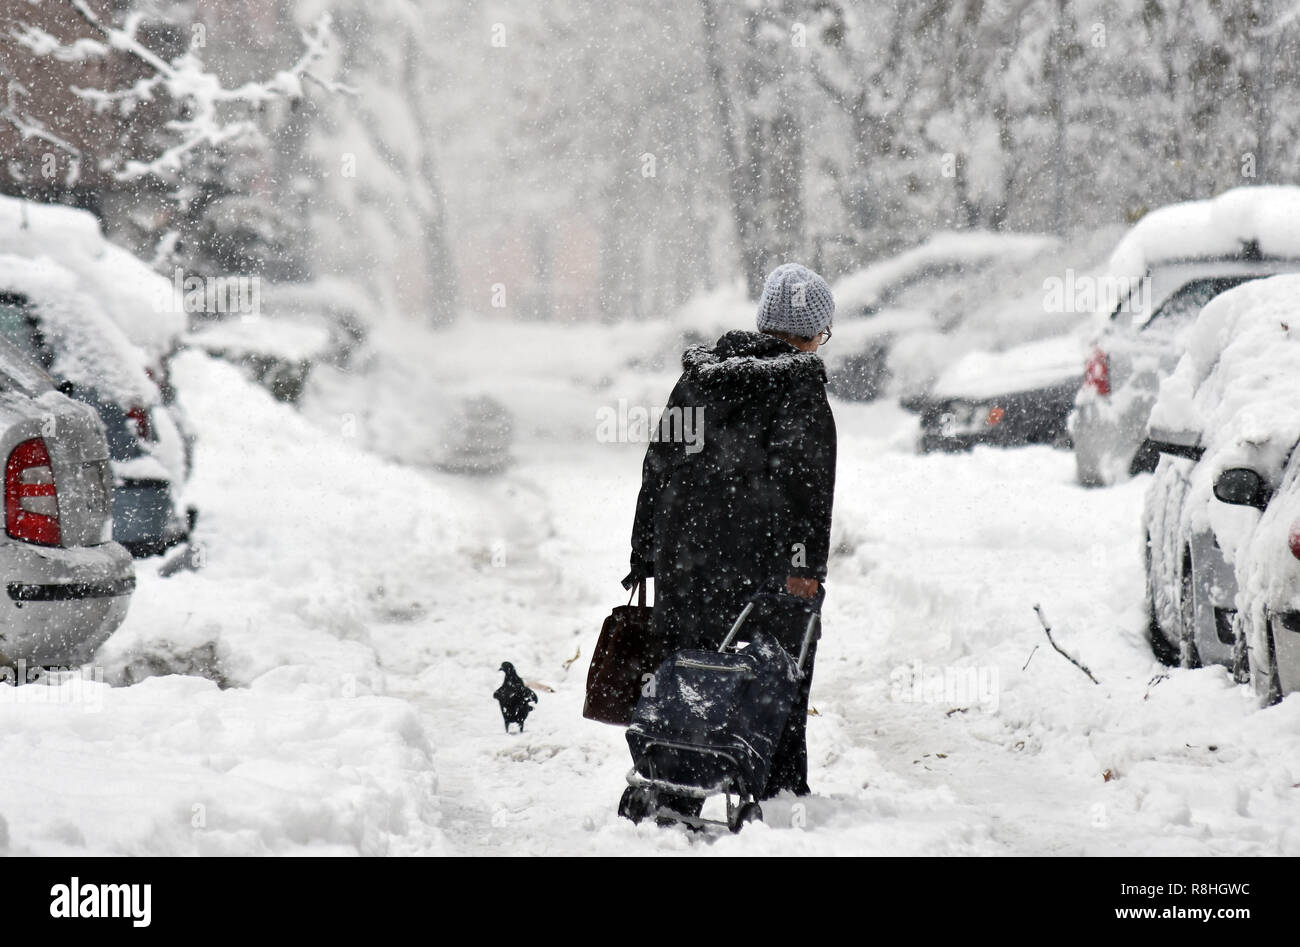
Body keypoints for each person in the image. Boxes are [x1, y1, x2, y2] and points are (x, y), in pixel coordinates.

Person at [625, 262, 837, 812]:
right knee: (774, 675)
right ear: (812, 333)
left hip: (684, 559)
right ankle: (778, 792)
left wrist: (645, 552)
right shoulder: (801, 390)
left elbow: (660, 464)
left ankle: (673, 784)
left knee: (688, 676)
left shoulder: (700, 378)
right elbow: (806, 490)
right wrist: (804, 570)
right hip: (762, 567)